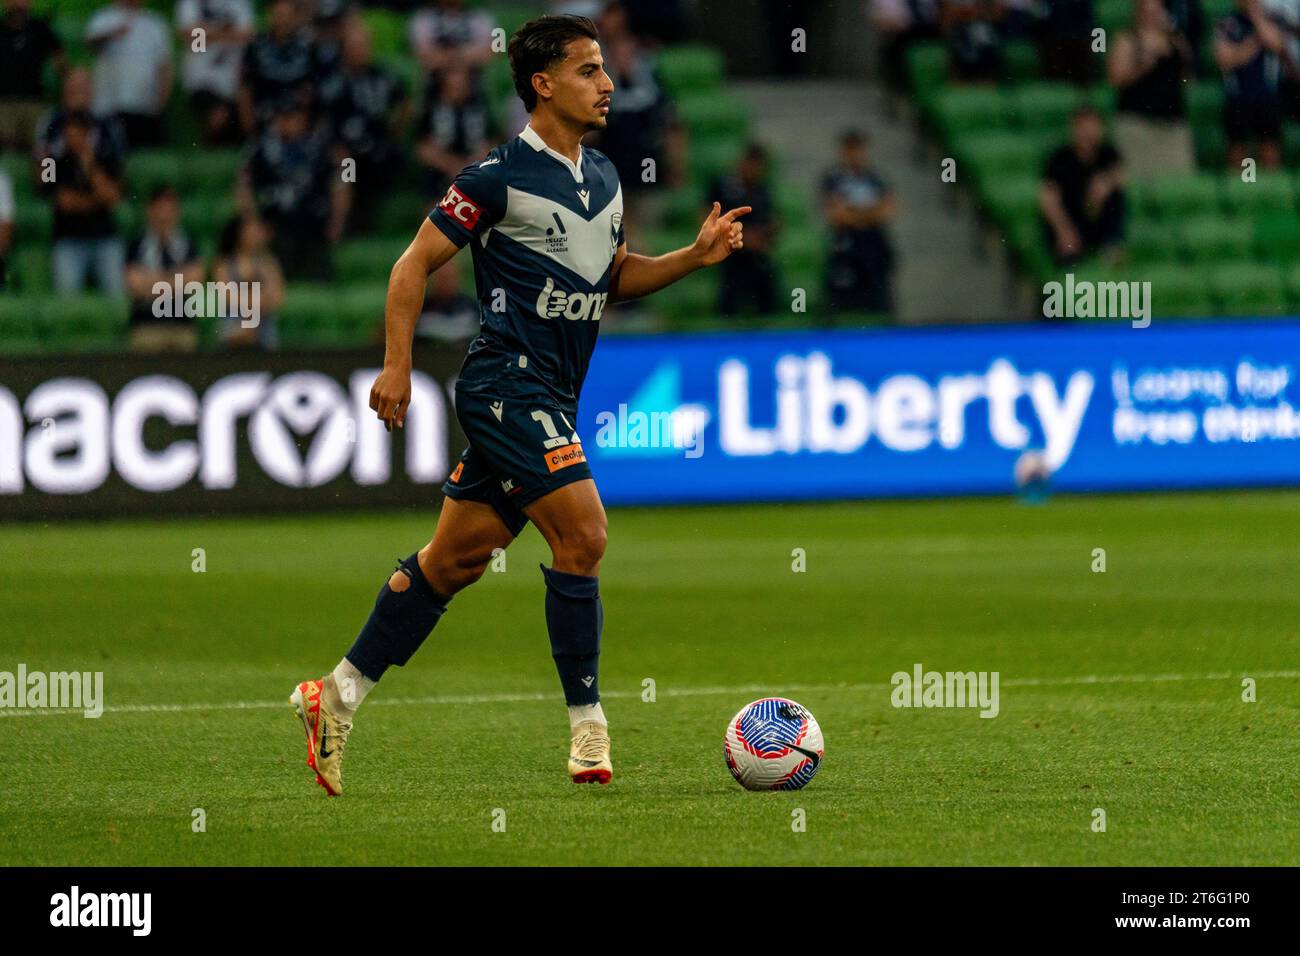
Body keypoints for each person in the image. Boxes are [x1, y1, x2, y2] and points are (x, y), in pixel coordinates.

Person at [288, 14, 750, 796]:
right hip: (504, 385)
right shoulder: (493, 178)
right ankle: (588, 726)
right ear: (543, 82)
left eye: (605, 70)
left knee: (452, 561)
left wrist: (691, 258)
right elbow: (411, 266)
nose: (607, 84)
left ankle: (333, 695)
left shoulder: (601, 176)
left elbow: (611, 278)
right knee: (586, 533)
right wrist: (397, 366)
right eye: (589, 70)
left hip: (554, 398)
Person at [240, 97, 349, 281]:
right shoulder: (260, 149)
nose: (289, 121)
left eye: (294, 116)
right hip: (276, 225)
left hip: (314, 224)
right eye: (284, 116)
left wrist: (338, 220)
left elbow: (342, 182)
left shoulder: (322, 147)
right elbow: (243, 186)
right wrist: (252, 221)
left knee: (319, 277)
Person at [327, 16, 409, 235]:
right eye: (355, 46)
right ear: (344, 49)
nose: (361, 51)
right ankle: (347, 226)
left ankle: (375, 223)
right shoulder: (334, 81)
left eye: (364, 45)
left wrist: (396, 131)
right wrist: (334, 148)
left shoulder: (382, 76)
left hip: (378, 149)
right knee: (346, 170)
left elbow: (404, 100)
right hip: (346, 153)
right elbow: (324, 121)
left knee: (392, 159)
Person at [1108, 0, 1196, 176]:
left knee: (1178, 182)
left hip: (1172, 126)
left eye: (1156, 11)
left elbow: (1187, 77)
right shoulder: (1127, 39)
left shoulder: (1176, 41)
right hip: (1137, 125)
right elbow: (1115, 78)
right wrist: (1141, 66)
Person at [44, 110, 125, 295]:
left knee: (116, 294)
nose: (73, 138)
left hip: (104, 238)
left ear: (88, 134)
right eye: (69, 134)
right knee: (67, 296)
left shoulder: (105, 158)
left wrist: (89, 166)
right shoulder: (53, 162)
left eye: (78, 133)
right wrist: (97, 202)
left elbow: (112, 196)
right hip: (68, 240)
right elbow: (63, 201)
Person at [822, 129, 898, 316]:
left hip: (874, 245)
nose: (854, 154)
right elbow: (836, 214)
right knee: (842, 301)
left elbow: (889, 209)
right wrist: (869, 214)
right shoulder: (833, 179)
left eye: (857, 149)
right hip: (846, 246)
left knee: (879, 299)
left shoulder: (876, 177)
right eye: (850, 149)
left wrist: (854, 213)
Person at [1040, 106, 1125, 266]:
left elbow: (1121, 174)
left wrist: (1104, 184)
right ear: (1074, 128)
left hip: (1094, 215)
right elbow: (1048, 198)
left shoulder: (1107, 154)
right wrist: (1064, 231)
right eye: (1084, 127)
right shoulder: (1060, 158)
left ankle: (1112, 246)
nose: (1089, 132)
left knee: (1115, 195)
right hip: (1069, 221)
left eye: (1094, 126)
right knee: (1068, 259)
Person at [124, 185, 203, 352]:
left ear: (177, 211)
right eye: (160, 209)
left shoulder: (188, 241)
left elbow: (195, 280)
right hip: (147, 325)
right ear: (149, 210)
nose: (164, 215)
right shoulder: (137, 243)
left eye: (169, 210)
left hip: (182, 324)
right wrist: (176, 281)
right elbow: (135, 285)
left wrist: (152, 282)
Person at [85, 0, 173, 148]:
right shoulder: (103, 17)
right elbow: (90, 43)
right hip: (109, 109)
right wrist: (112, 33)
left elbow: (164, 67)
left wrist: (160, 104)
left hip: (145, 108)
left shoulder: (156, 23)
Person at [1216, 0, 1286, 168]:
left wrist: (1256, 17)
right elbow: (1225, 60)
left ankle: (1269, 191)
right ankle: (1242, 187)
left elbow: (1277, 45)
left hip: (1266, 96)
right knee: (1238, 151)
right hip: (1238, 97)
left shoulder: (1273, 19)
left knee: (1269, 150)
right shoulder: (1227, 22)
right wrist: (1254, 45)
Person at [710, 142, 778, 316]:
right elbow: (707, 222)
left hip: (758, 255)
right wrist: (745, 239)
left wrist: (769, 233)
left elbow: (773, 221)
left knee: (768, 282)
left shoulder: (762, 190)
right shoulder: (722, 187)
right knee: (730, 294)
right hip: (730, 254)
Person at [174, 0, 255, 146]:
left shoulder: (240, 3)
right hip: (201, 81)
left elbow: (248, 35)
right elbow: (192, 41)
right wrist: (228, 32)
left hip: (233, 81)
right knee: (218, 114)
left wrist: (206, 32)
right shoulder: (191, 3)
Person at [413, 65, 490, 199]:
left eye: (462, 86)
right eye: (453, 87)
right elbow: (423, 149)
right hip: (441, 170)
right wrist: (454, 167)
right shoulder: (431, 110)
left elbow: (491, 143)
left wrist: (468, 167)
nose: (458, 91)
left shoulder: (479, 108)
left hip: (475, 168)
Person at [0, 0, 65, 151]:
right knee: (6, 142)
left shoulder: (40, 28)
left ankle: (48, 175)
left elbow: (61, 64)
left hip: (35, 101)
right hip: (3, 102)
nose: (19, 5)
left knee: (43, 146)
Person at [213, 213, 283, 349]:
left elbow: (276, 298)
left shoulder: (269, 262)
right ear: (238, 233)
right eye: (250, 229)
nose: (255, 233)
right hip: (234, 320)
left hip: (263, 321)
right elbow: (227, 297)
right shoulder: (224, 264)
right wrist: (259, 300)